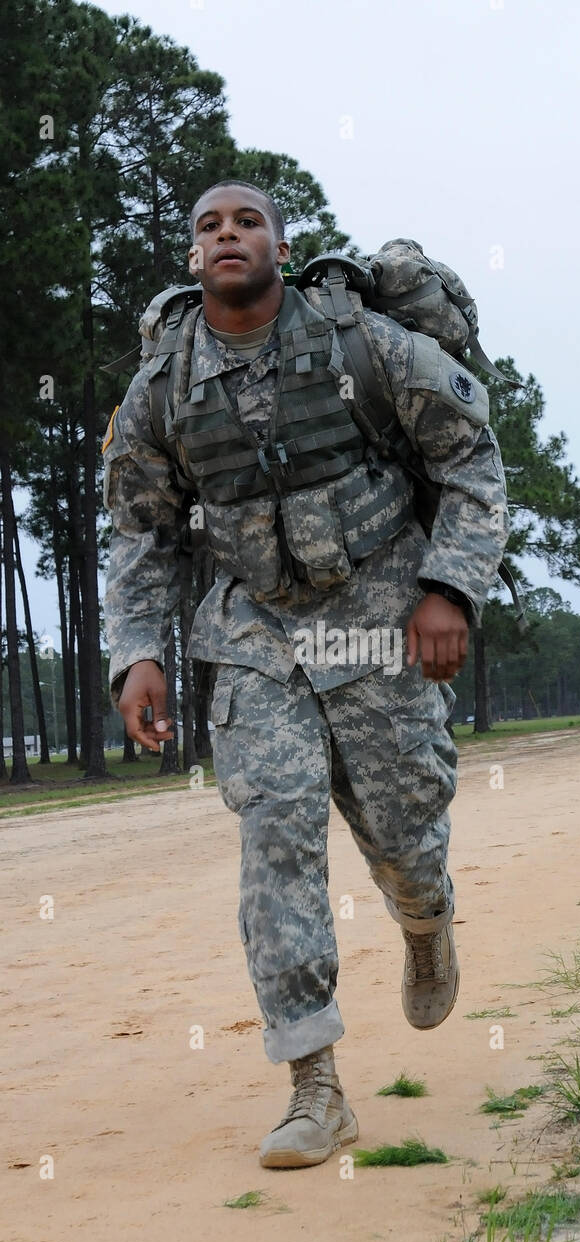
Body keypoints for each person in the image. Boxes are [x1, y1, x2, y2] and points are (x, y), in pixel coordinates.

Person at [102, 180, 510, 1169]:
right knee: (276, 835)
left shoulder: (361, 344)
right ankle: (314, 1086)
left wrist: (447, 589)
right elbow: (139, 530)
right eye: (208, 225)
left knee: (404, 830)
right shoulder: (164, 385)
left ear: (280, 248)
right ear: (193, 257)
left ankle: (425, 920)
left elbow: (468, 455)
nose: (227, 234)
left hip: (374, 614)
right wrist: (137, 652)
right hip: (253, 630)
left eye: (246, 221)